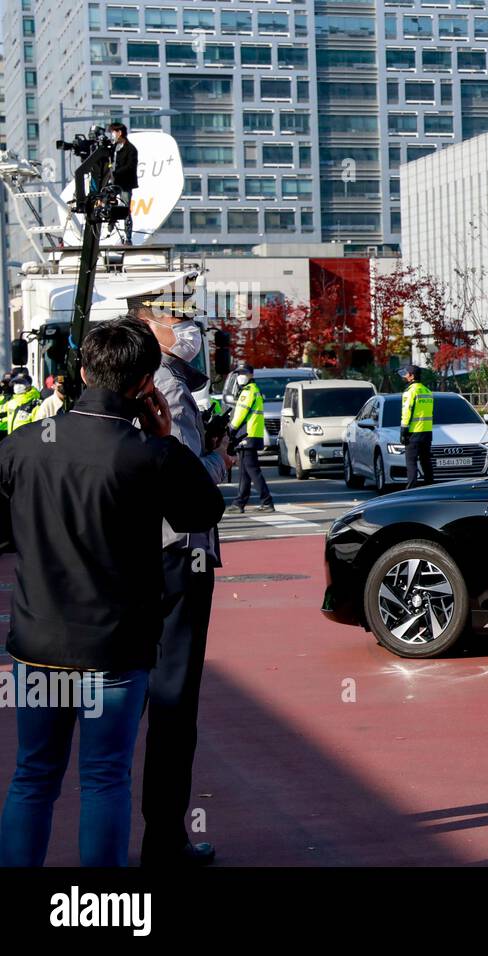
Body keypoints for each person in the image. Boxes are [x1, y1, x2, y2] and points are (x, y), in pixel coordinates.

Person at [0, 318, 225, 867]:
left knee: (33, 774)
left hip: (38, 642)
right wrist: (167, 437)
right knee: (104, 779)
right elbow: (202, 511)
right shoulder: (149, 454)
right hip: (115, 646)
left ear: (80, 372)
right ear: (146, 384)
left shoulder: (22, 446)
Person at [137, 300, 234, 866]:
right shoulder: (169, 388)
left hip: (138, 559)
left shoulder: (145, 384)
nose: (188, 326)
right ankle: (164, 839)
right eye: (175, 316)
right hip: (178, 557)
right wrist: (218, 458)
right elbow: (189, 484)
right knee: (172, 701)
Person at [226, 362, 274, 513]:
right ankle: (239, 502)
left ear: (251, 375)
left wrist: (231, 429)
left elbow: (241, 413)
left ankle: (266, 501)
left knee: (252, 470)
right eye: (239, 374)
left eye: (243, 374)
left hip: (247, 434)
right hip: (251, 434)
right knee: (244, 471)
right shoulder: (253, 390)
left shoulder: (248, 391)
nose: (240, 377)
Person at [398, 364, 435, 490]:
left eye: (406, 373)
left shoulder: (410, 392)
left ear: (412, 376)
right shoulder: (427, 391)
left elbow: (406, 411)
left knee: (411, 462)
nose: (404, 376)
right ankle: (430, 487)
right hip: (427, 432)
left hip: (414, 432)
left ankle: (411, 489)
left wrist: (403, 430)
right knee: (426, 462)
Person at [107, 122, 138, 245]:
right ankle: (111, 223)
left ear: (119, 133)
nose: (112, 135)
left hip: (125, 183)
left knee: (125, 209)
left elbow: (130, 166)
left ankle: (128, 237)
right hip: (113, 183)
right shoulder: (113, 148)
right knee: (109, 202)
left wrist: (115, 173)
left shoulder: (130, 149)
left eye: (113, 132)